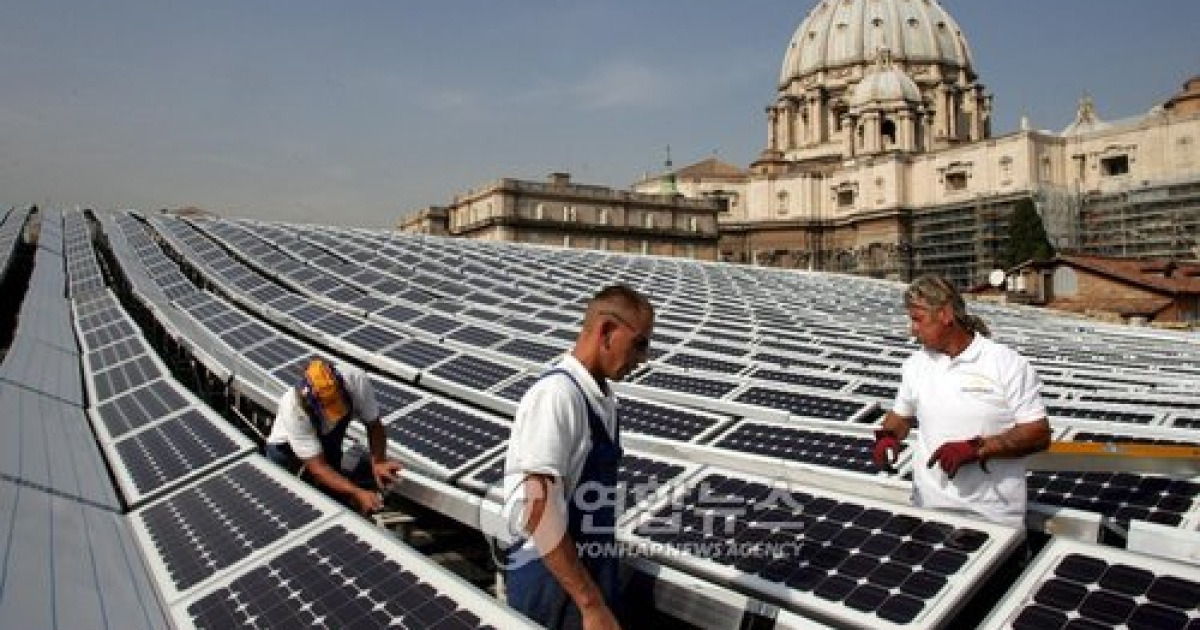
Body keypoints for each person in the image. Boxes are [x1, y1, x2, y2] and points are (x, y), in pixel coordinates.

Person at [502, 284, 654, 630]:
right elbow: (540, 512)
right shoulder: (558, 395)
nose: (642, 358)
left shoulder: (603, 400)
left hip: (589, 572)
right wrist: (590, 603)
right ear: (606, 332)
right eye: (639, 344)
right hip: (552, 584)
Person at [872, 274, 1051, 529]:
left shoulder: (1005, 363)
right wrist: (888, 436)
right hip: (928, 509)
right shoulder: (916, 365)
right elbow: (901, 415)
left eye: (918, 320)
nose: (912, 329)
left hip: (992, 519)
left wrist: (976, 449)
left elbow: (1038, 434)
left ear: (945, 315)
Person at [265, 357, 402, 515]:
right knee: (284, 499)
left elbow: (374, 424)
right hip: (286, 448)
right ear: (310, 401)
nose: (334, 418)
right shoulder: (294, 410)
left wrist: (379, 461)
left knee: (333, 492)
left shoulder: (356, 380)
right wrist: (357, 492)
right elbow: (318, 468)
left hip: (329, 439)